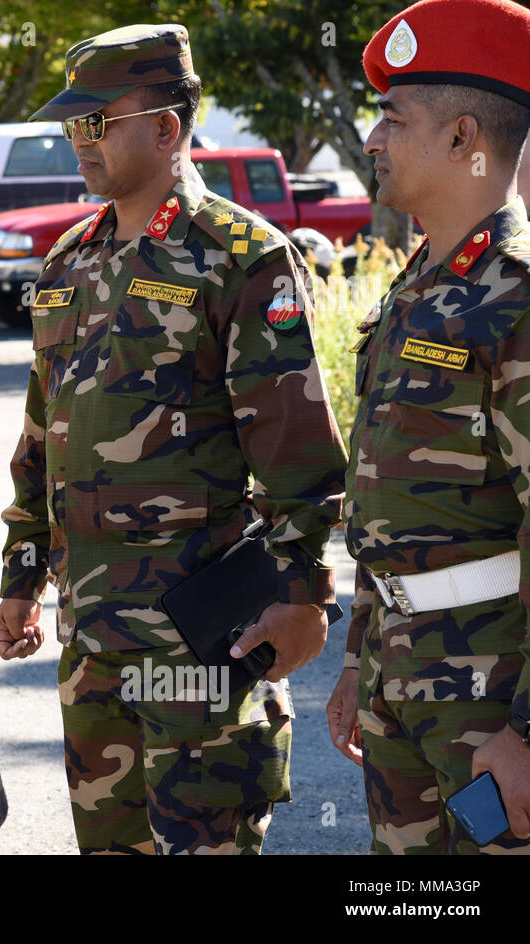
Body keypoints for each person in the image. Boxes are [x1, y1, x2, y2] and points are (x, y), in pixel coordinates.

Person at [0, 24, 348, 854]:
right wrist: (21, 572)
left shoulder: (243, 258)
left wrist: (306, 594)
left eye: (96, 122)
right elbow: (42, 436)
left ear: (165, 126)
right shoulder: (68, 263)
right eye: (72, 125)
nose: (78, 141)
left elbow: (296, 449)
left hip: (203, 642)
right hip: (92, 643)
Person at [325, 0, 530, 854]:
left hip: (493, 699)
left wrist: (525, 732)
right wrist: (354, 658)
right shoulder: (418, 290)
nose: (371, 138)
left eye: (392, 117)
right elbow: (391, 500)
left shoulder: (515, 298)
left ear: (463, 138)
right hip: (399, 677)